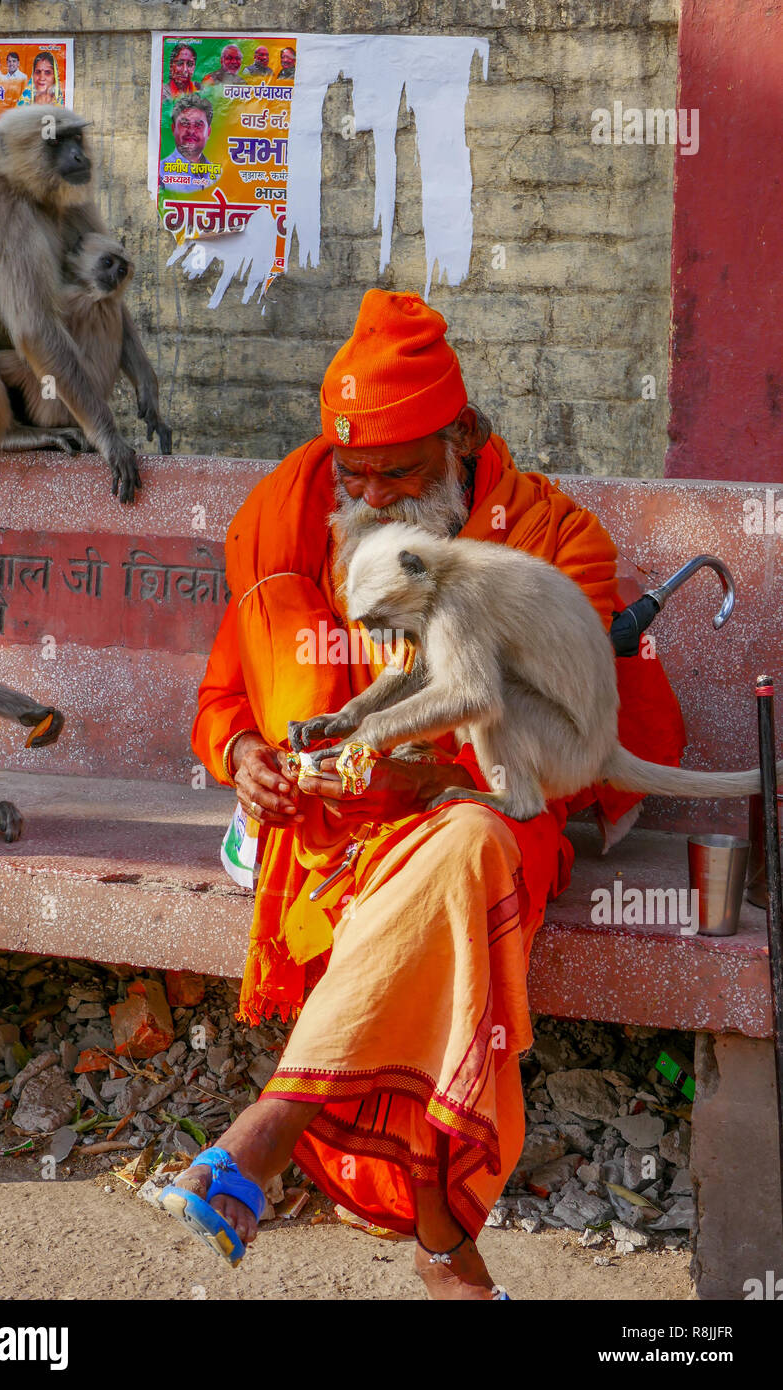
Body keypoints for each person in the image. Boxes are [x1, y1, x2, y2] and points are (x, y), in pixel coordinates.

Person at [173, 290, 686, 1299]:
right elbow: (222, 699)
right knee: (453, 922)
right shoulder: (296, 514)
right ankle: (442, 1240)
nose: (368, 496)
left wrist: (444, 769)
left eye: (396, 473)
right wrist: (243, 754)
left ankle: (271, 1123)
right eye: (352, 474)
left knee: (470, 847)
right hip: (335, 845)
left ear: (458, 438)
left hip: (495, 818)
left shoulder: (550, 538)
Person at [159, 95, 220, 193]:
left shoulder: (218, 175)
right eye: (184, 123)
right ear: (173, 128)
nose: (191, 131)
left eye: (198, 125)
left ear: (208, 132)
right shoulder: (160, 173)